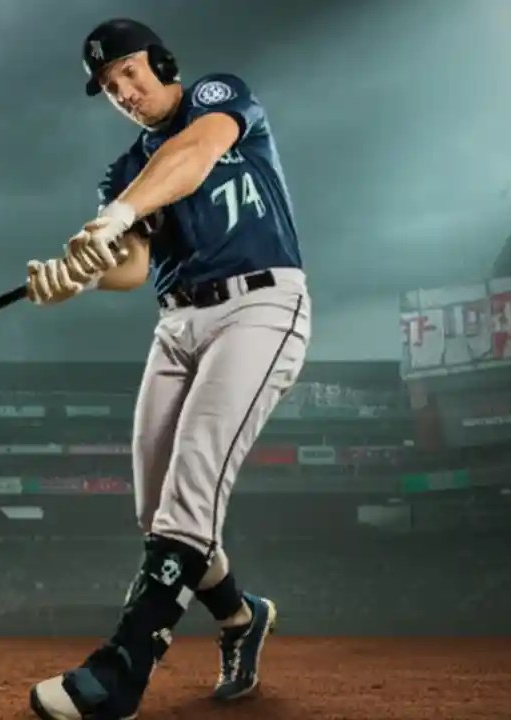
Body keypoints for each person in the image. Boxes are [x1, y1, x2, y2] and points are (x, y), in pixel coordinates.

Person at [26, 17, 312, 720]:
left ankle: (121, 672)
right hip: (177, 324)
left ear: (161, 60)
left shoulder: (217, 99)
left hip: (260, 306)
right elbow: (129, 268)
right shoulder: (124, 171)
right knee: (158, 516)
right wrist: (77, 274)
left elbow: (193, 153)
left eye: (130, 71)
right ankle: (243, 618)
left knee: (189, 500)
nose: (123, 90)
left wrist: (116, 214)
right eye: (109, 85)